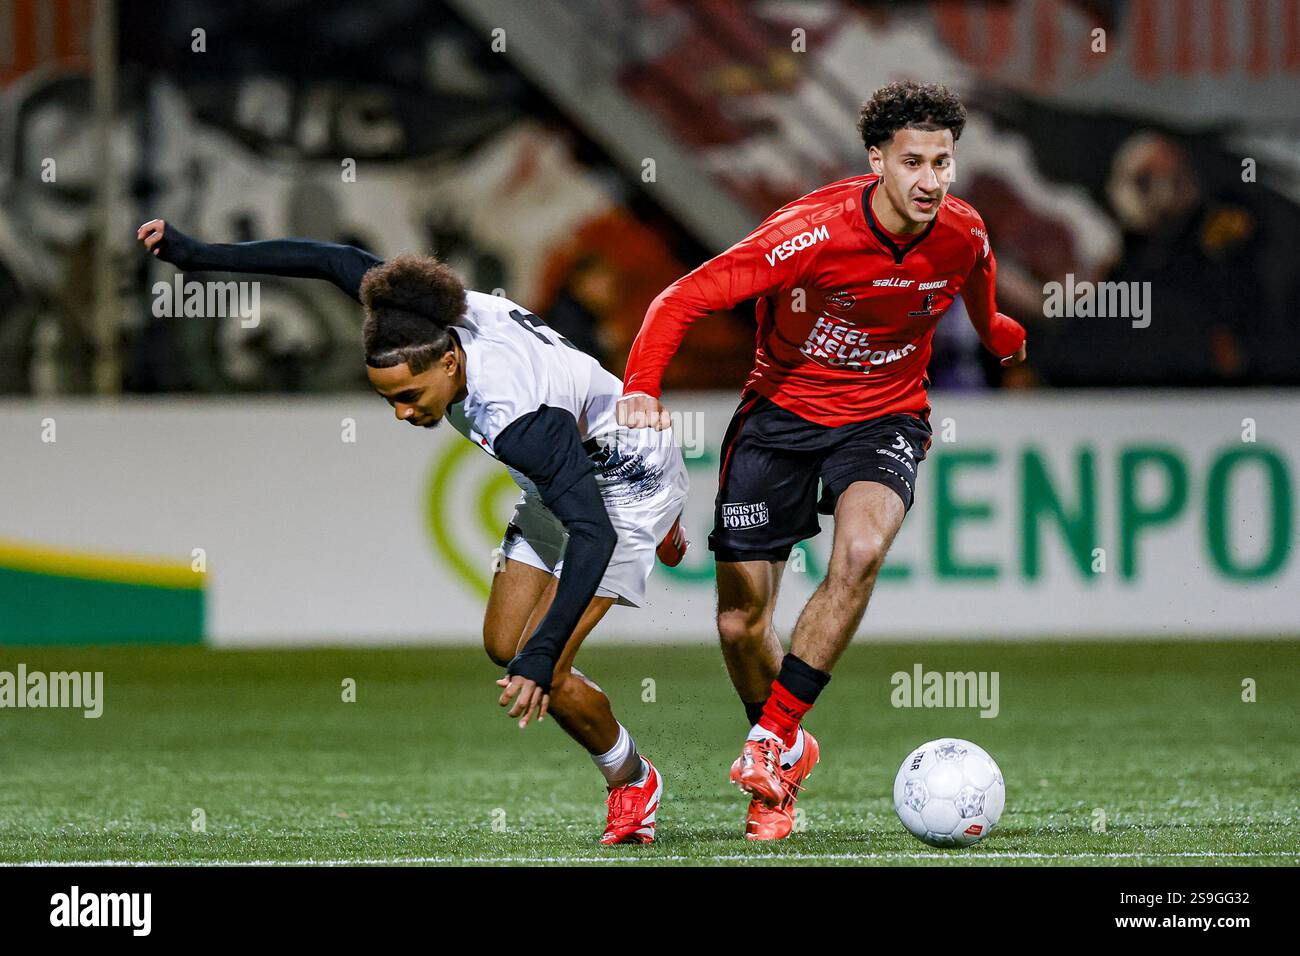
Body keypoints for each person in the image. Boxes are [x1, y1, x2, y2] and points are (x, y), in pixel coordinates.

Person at [136, 218, 690, 845]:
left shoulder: (515, 417)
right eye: (389, 400)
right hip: (564, 473)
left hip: (625, 478)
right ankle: (624, 577)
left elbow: (593, 533)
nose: (404, 412)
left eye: (412, 395)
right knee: (506, 645)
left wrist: (545, 655)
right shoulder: (423, 316)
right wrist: (198, 254)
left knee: (547, 664)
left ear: (452, 361)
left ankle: (630, 779)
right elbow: (332, 258)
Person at [615, 81, 1027, 840]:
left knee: (862, 548)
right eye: (914, 162)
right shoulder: (807, 234)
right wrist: (641, 388)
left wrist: (995, 327)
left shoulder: (962, 230)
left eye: (944, 162)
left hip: (885, 418)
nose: (932, 180)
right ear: (876, 160)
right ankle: (783, 750)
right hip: (778, 419)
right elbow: (679, 301)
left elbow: (976, 279)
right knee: (741, 624)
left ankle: (771, 744)